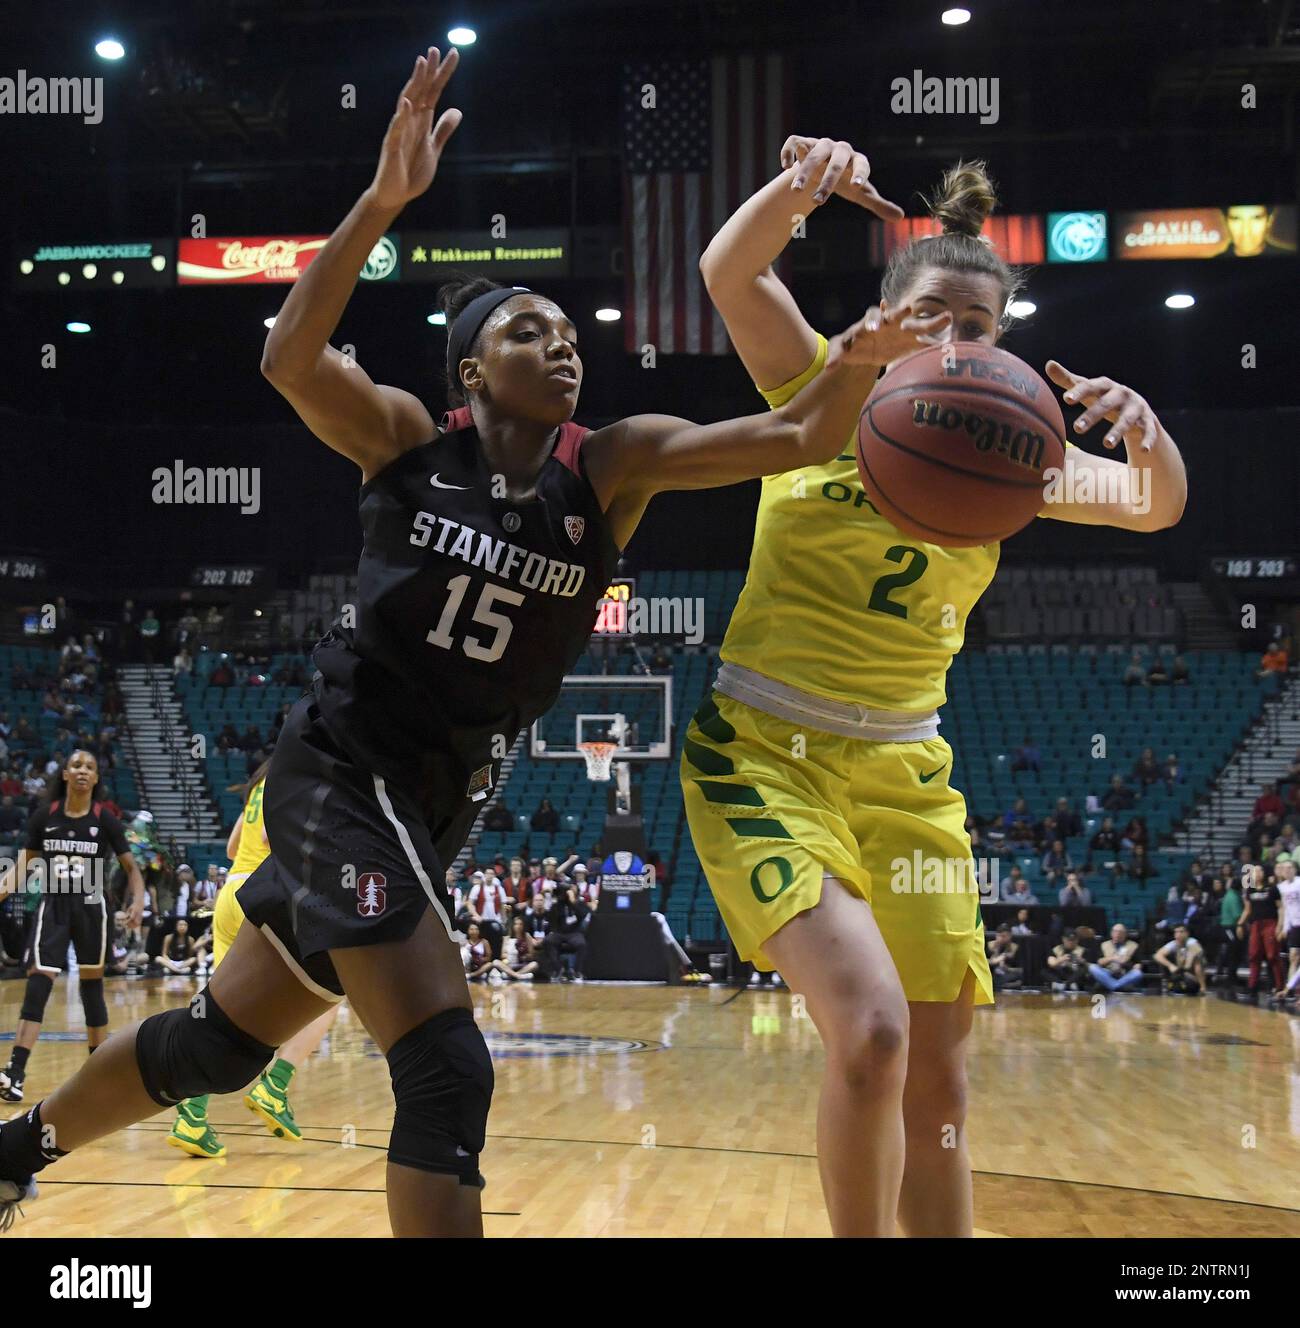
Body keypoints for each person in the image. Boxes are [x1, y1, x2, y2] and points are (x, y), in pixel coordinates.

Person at [0, 49, 895, 1236]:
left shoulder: (611, 464)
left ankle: (13, 1150)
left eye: (571, 329)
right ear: (475, 370)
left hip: (432, 801)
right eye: (532, 328)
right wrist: (380, 204)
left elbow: (797, 433)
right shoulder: (412, 441)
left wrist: (869, 353)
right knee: (445, 1066)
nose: (565, 343)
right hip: (337, 774)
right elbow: (286, 360)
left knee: (220, 1044)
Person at [681, 140, 1185, 1236]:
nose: (956, 339)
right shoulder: (817, 384)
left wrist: (1149, 435)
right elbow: (729, 269)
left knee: (941, 1088)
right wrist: (804, 182)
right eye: (933, 315)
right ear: (885, 311)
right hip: (764, 748)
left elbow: (1151, 504)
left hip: (907, 771)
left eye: (980, 327)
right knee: (869, 1031)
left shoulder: (1016, 450)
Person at [166, 761, 342, 1160]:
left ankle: (192, 1115)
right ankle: (275, 1085)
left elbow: (233, 848)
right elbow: (270, 835)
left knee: (222, 1012)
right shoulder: (302, 775)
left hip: (230, 892)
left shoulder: (260, 781)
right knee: (330, 992)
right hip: (264, 894)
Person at [0, 751, 144, 1104]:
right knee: (38, 982)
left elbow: (132, 869)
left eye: (90, 767)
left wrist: (138, 901)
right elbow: (22, 866)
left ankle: (100, 1076)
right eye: (77, 765)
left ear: (95, 779)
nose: (82, 771)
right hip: (54, 905)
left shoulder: (105, 819)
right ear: (65, 773)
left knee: (91, 990)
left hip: (94, 907)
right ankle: (14, 1073)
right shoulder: (43, 817)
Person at [1239, 863, 1285, 999]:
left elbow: (1281, 908)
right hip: (1255, 925)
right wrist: (1239, 924)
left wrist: (1279, 925)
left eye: (1260, 871)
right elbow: (1247, 910)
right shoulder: (1250, 890)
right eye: (1254, 871)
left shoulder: (1272, 888)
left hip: (1270, 923)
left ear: (1264, 873)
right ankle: (1252, 988)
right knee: (1254, 956)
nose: (1257, 873)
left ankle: (1279, 988)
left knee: (1272, 956)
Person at [543, 885, 590, 981]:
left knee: (581, 944)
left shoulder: (579, 903)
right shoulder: (557, 905)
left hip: (574, 932)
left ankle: (577, 972)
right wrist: (554, 899)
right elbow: (551, 919)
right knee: (547, 941)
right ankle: (558, 969)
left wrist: (573, 902)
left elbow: (582, 915)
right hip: (559, 933)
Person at [1088, 924, 1144, 993]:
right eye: (1115, 931)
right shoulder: (1104, 944)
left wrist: (1137, 966)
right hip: (1108, 973)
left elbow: (1138, 963)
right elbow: (1099, 962)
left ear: (1125, 934)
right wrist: (1112, 958)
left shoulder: (1133, 945)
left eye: (1120, 932)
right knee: (1092, 967)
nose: (1117, 934)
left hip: (1125, 974)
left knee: (1138, 973)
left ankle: (1113, 986)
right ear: (1111, 933)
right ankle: (1116, 986)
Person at [1154, 923, 1204, 995]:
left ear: (1187, 933)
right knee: (1162, 960)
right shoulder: (1173, 944)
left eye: (1181, 932)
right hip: (1180, 974)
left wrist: (1202, 987)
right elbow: (1157, 955)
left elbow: (1195, 966)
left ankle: (1202, 987)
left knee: (1197, 962)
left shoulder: (1193, 943)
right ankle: (1167, 986)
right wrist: (1170, 965)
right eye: (1176, 932)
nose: (1178, 934)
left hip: (1192, 977)